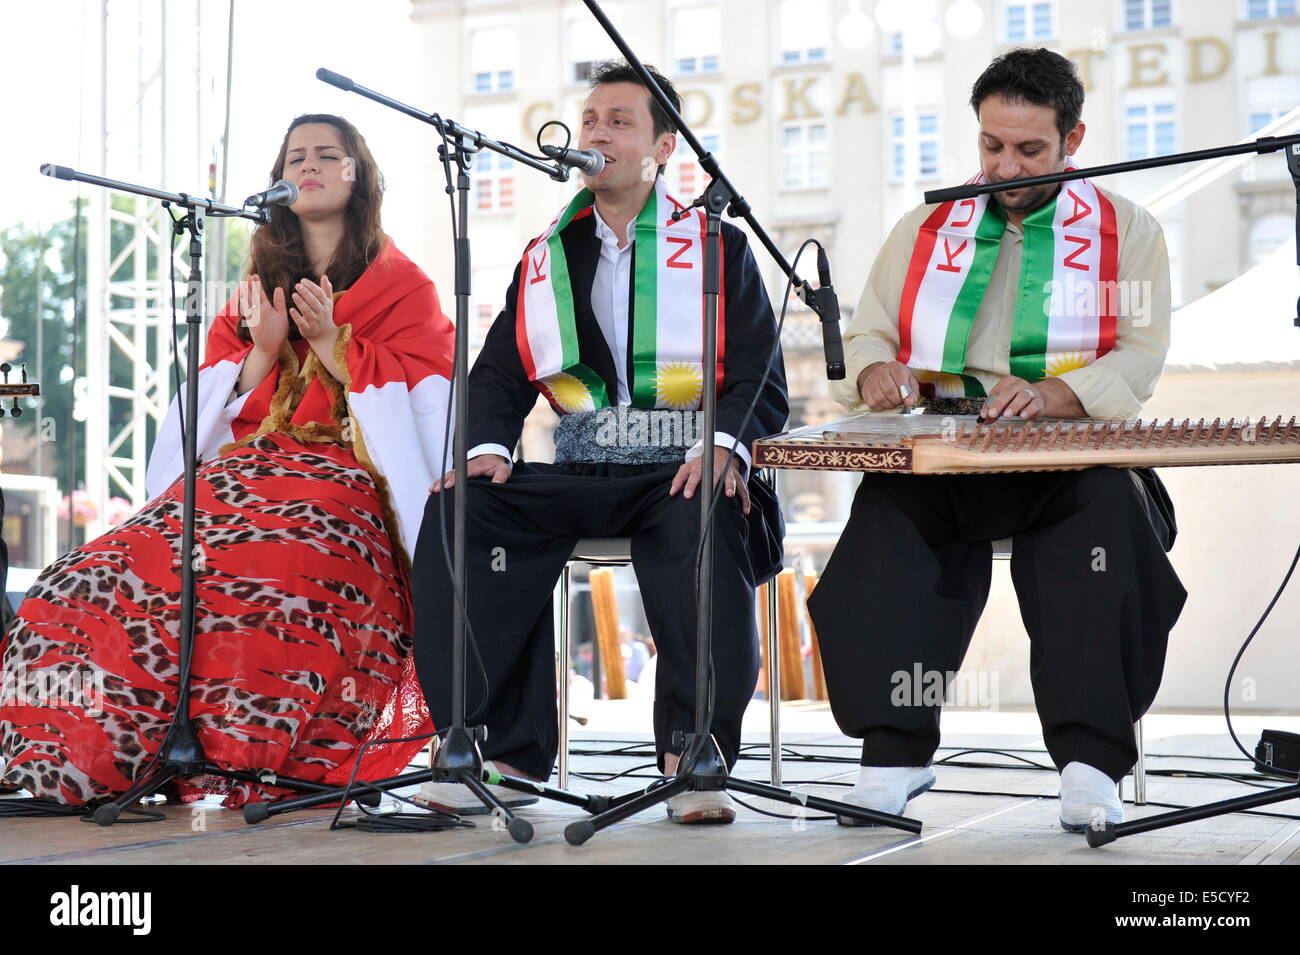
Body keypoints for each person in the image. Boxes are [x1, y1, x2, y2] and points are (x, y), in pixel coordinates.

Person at [0, 114, 454, 808]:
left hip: (345, 488)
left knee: (282, 558)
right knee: (102, 566)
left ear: (360, 174)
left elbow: (430, 406)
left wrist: (337, 346)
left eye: (328, 156)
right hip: (240, 477)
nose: (309, 165)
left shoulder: (404, 286)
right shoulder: (251, 293)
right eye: (295, 156)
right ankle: (89, 754)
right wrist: (263, 353)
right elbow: (200, 417)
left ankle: (265, 760)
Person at [807, 49, 1187, 831]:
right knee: (885, 515)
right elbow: (868, 330)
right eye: (991, 145)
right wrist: (878, 368)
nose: (1005, 166)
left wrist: (1053, 392)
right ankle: (895, 752)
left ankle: (1090, 762)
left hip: (1065, 450)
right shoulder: (927, 224)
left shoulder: (1128, 229)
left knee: (1110, 515)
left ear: (1073, 137)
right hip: (947, 447)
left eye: (1029, 149)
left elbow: (1140, 355)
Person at [412, 61, 787, 824]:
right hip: (584, 461)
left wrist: (724, 446)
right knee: (464, 510)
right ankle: (497, 747)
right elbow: (495, 375)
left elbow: (761, 377)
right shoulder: (545, 255)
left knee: (700, 515)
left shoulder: (718, 248)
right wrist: (487, 446)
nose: (596, 133)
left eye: (618, 120)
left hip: (680, 464)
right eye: (589, 120)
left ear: (664, 146)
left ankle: (696, 751)